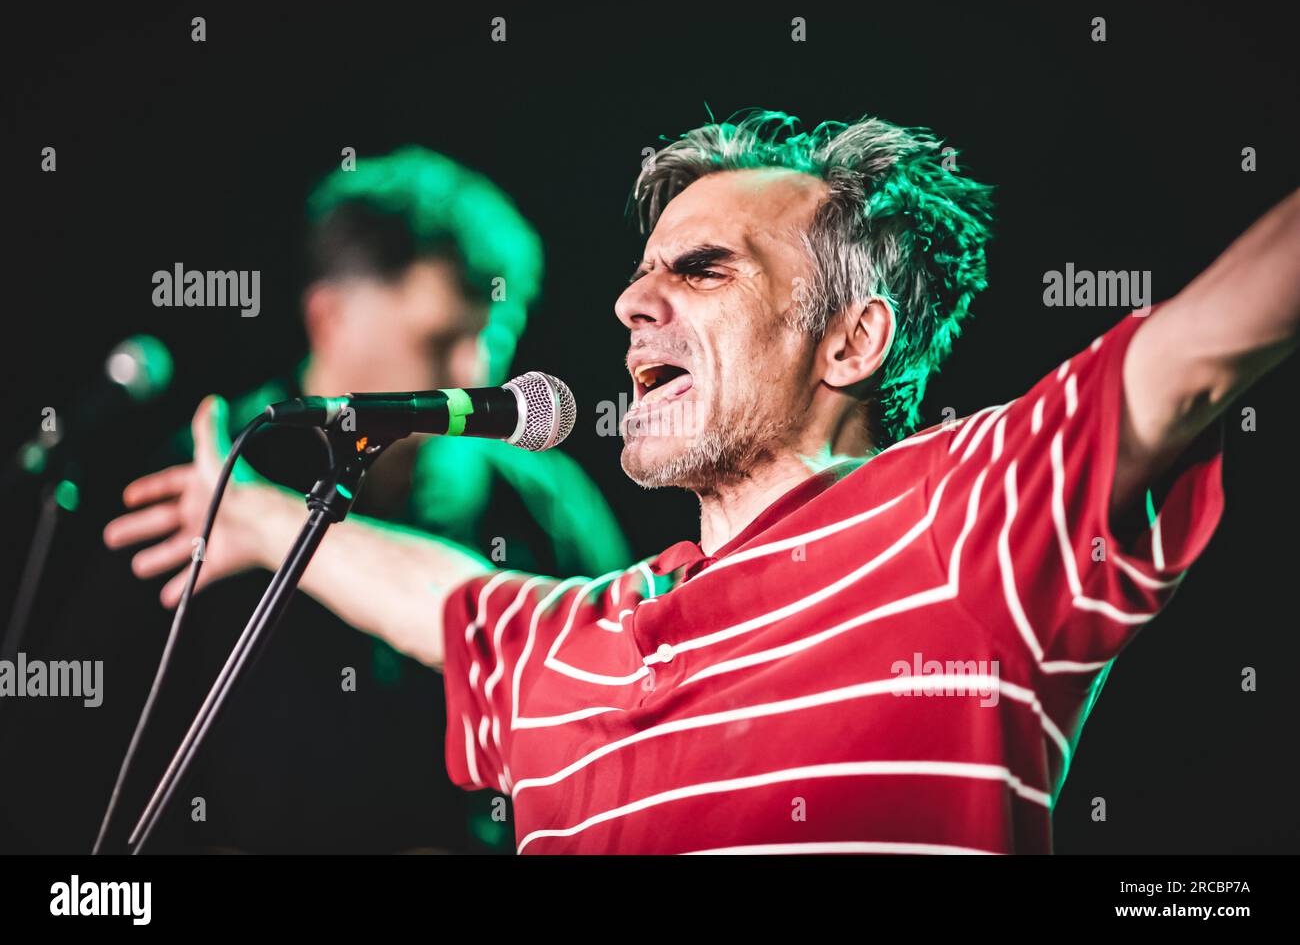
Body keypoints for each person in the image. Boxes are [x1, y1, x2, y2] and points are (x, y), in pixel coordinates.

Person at [107, 110, 1300, 854]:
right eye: (639, 275)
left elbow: (1208, 347)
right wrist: (264, 519)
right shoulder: (585, 636)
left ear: (849, 342)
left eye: (703, 269)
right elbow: (441, 601)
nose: (631, 303)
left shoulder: (963, 513)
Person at [102, 147, 630, 853]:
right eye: (440, 337)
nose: (476, 371)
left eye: (491, 336)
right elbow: (107, 752)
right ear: (328, 316)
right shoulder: (202, 483)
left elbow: (617, 725)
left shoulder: (544, 500)